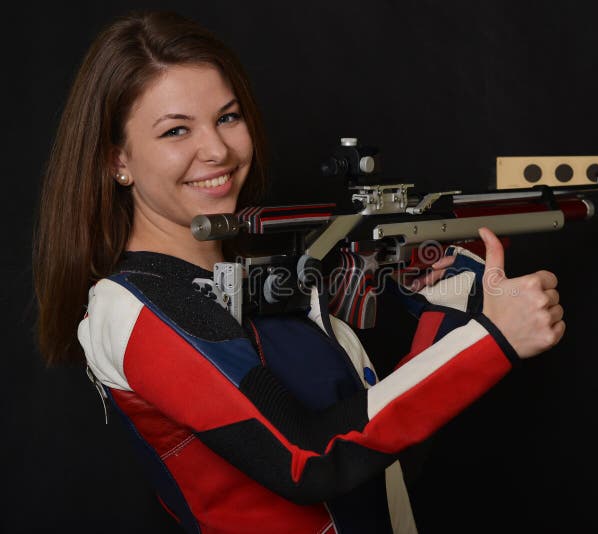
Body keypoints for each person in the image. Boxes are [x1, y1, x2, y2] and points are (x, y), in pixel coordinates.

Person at [32, 10, 565, 534]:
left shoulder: (263, 286)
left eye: (227, 117)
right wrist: (493, 338)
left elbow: (374, 454)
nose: (216, 150)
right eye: (176, 130)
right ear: (115, 160)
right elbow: (307, 460)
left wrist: (451, 311)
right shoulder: (133, 306)